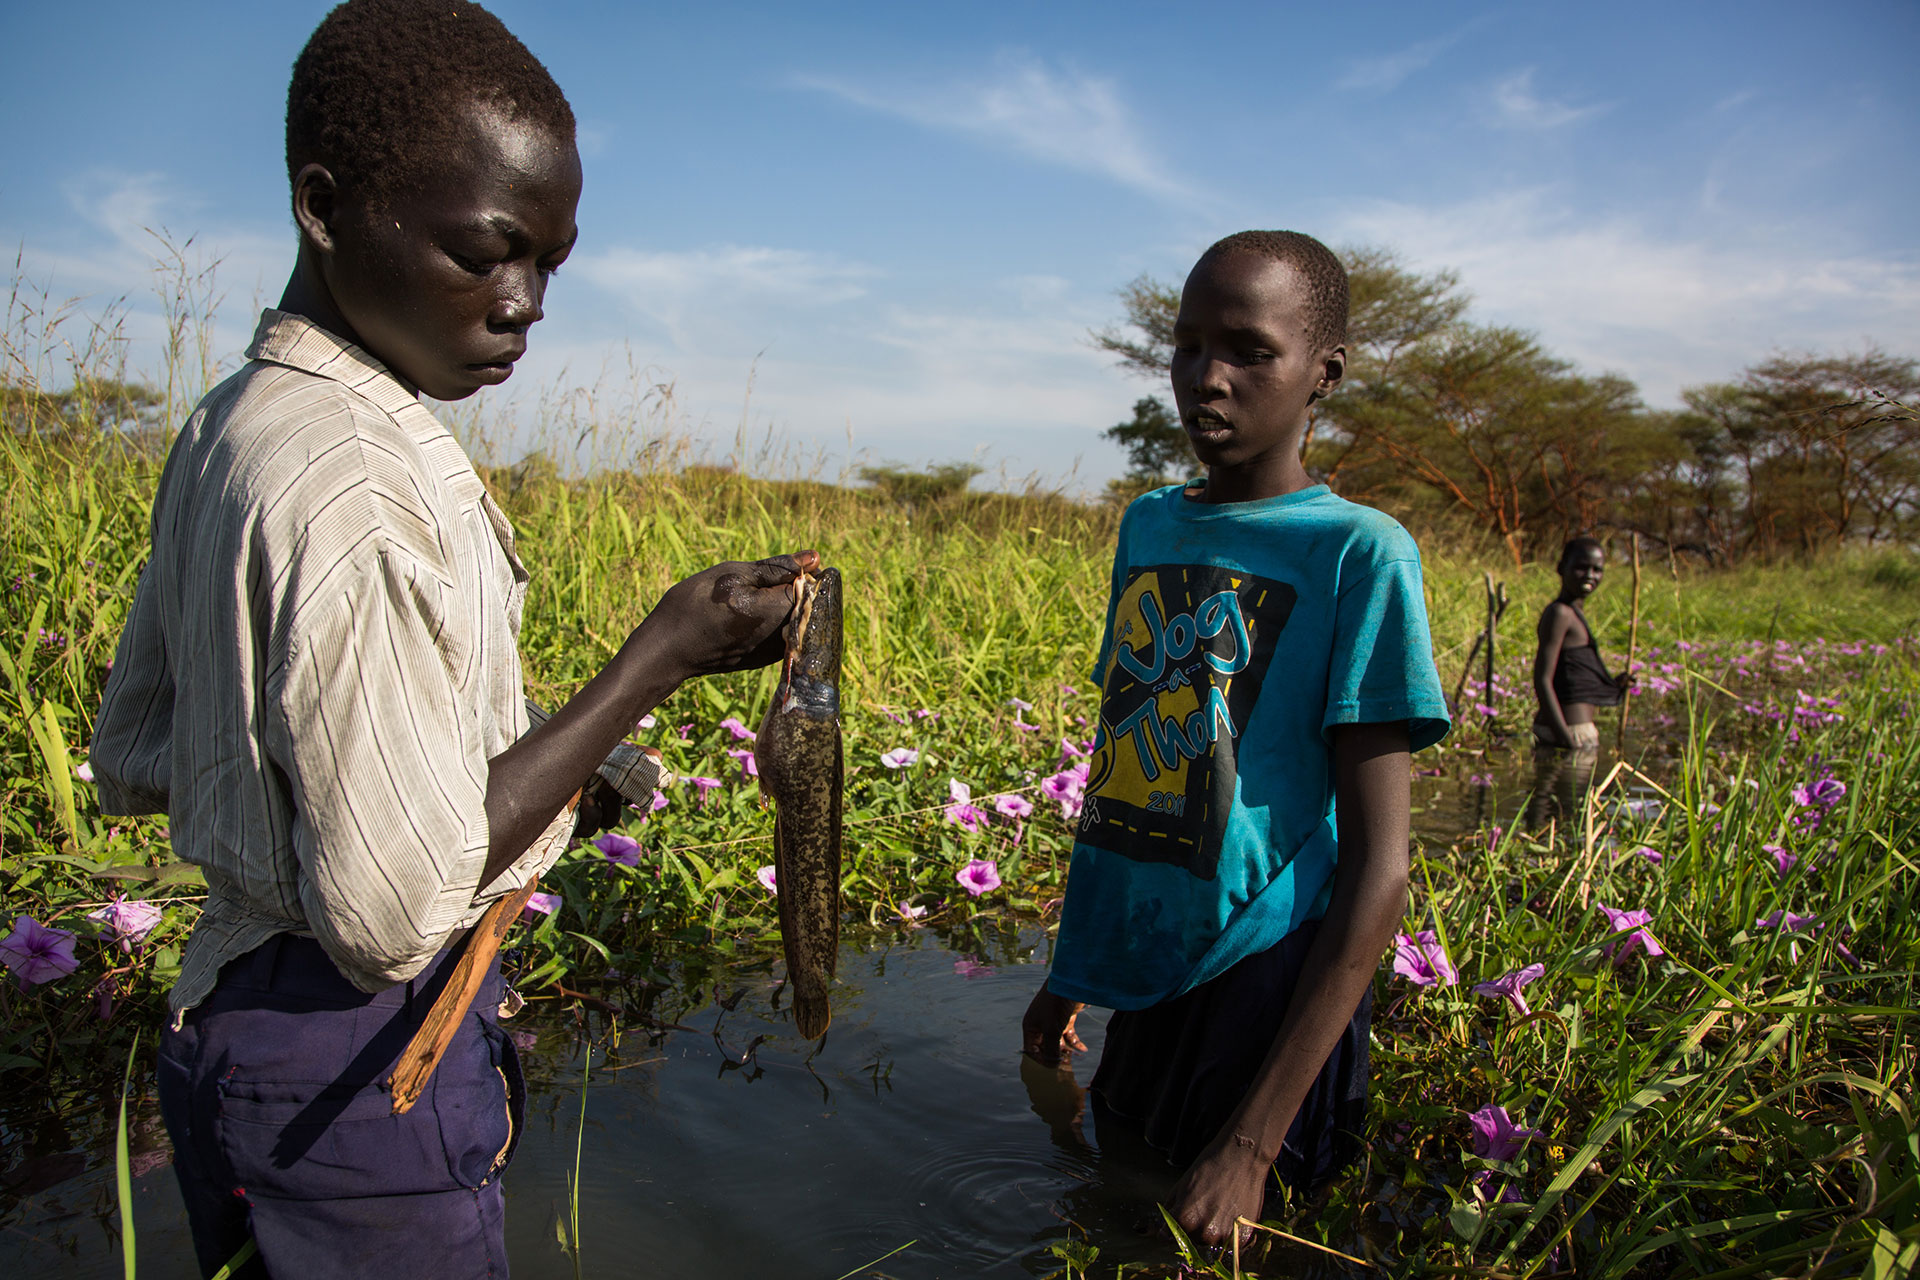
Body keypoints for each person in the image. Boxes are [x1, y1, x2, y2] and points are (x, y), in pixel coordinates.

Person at [88, 3, 811, 1274]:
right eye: (489, 251)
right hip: (352, 1073)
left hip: (230, 1035)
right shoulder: (363, 484)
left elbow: (143, 748)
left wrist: (556, 777)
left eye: (548, 265)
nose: (524, 304)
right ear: (326, 204)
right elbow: (386, 912)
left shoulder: (229, 426)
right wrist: (660, 659)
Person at [1020, 231, 1450, 1249]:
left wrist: (1253, 1142)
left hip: (1269, 992)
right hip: (1151, 976)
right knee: (1116, 1216)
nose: (1207, 378)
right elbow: (1124, 771)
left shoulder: (1359, 552)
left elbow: (1380, 869)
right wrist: (1074, 965)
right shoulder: (1150, 527)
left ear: (1322, 375)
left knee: (1233, 1240)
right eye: (1186, 345)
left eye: (1250, 350)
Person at [1526, 537, 1634, 827]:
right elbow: (1543, 679)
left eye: (1597, 569)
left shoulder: (1575, 613)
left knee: (1565, 815)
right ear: (1562, 568)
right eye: (1581, 567)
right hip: (1567, 733)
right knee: (1564, 816)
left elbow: (1572, 674)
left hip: (1572, 734)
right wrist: (1567, 739)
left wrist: (1616, 684)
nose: (1590, 575)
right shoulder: (1559, 613)